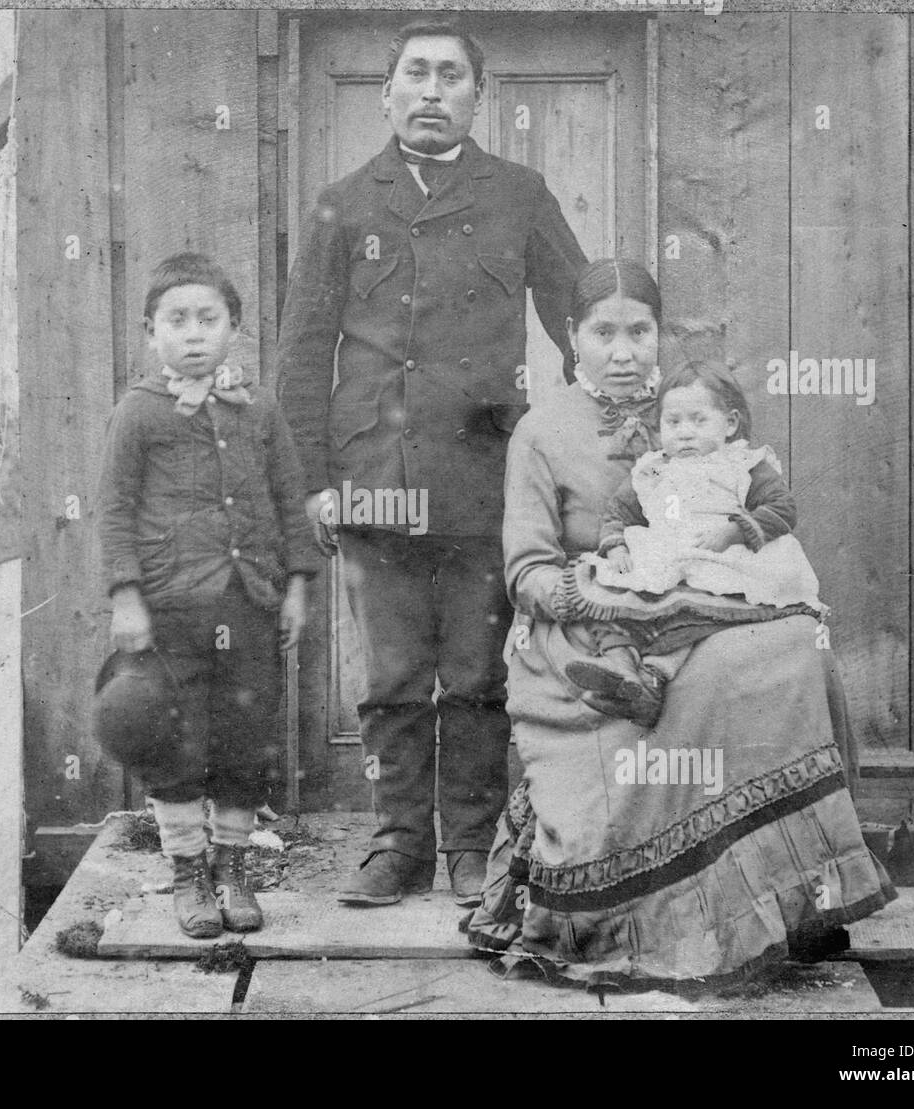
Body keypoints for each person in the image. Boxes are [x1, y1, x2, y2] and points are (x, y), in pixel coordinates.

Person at [465, 258, 896, 988]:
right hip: (589, 628)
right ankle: (683, 914)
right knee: (714, 678)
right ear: (572, 337)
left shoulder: (691, 406)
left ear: (660, 335)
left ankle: (801, 897)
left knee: (797, 646)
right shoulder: (541, 431)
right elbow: (525, 571)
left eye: (640, 331)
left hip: (695, 604)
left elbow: (747, 502)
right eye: (604, 332)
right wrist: (599, 595)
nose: (625, 351)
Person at [276, 19, 587, 907]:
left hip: (484, 482)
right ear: (386, 94)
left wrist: (577, 446)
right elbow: (302, 357)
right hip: (376, 480)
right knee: (392, 682)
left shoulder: (520, 194)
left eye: (452, 76)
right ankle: (397, 843)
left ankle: (468, 845)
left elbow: (583, 325)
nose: (432, 91)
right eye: (416, 73)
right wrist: (316, 483)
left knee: (479, 679)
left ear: (476, 98)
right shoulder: (343, 203)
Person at [96, 253, 321, 939]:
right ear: (150, 331)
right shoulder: (139, 414)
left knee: (244, 739)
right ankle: (189, 870)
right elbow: (113, 510)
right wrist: (127, 595)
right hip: (171, 611)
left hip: (249, 602)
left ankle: (232, 865)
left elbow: (289, 500)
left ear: (234, 329)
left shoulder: (258, 411)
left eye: (209, 319)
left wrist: (297, 587)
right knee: (176, 740)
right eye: (177, 320)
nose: (194, 334)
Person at [561, 360, 826, 726]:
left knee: (691, 618)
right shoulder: (653, 471)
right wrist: (617, 547)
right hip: (665, 563)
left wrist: (733, 531)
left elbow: (783, 508)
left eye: (698, 421)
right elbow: (619, 513)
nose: (684, 433)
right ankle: (619, 663)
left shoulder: (742, 465)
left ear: (729, 423)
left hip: (718, 564)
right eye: (673, 423)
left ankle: (650, 680)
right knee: (606, 595)